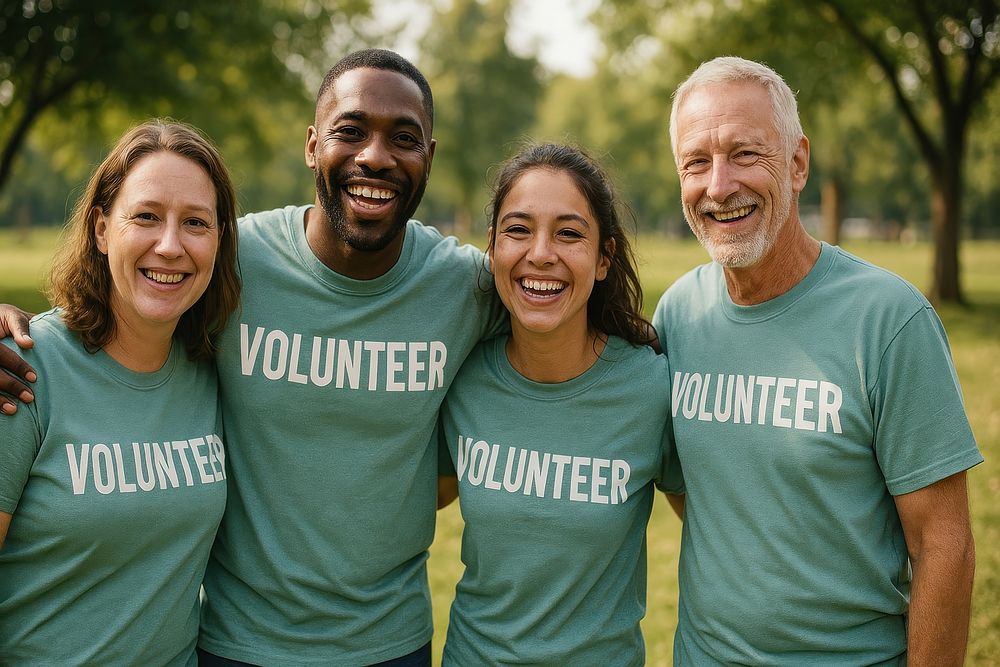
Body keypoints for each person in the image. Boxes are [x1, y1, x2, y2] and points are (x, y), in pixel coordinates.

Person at [0, 48, 506, 665]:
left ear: (429, 155)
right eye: (351, 132)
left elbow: (560, 311)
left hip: (392, 642)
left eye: (403, 138)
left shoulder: (469, 287)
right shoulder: (234, 261)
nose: (375, 156)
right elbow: (118, 309)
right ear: (312, 144)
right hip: (235, 645)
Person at [653, 56, 982, 665]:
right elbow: (690, 488)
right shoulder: (679, 315)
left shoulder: (890, 319)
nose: (719, 185)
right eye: (696, 162)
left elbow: (944, 543)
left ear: (798, 162)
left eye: (746, 154)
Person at [0, 119, 241, 664]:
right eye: (146, 217)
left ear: (220, 239)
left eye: (196, 222)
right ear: (102, 228)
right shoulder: (22, 369)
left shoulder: (215, 370)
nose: (170, 245)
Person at [436, 143, 676, 665]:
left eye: (569, 233)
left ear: (604, 257)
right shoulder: (460, 379)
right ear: (493, 247)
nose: (541, 253)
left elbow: (716, 529)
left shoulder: (651, 389)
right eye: (518, 230)